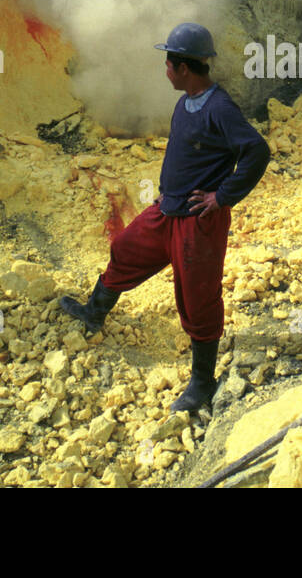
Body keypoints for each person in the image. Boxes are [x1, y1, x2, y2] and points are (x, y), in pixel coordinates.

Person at [60, 22, 271, 413]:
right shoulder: (186, 101)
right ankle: (94, 311)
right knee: (125, 248)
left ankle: (202, 383)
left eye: (168, 64)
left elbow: (257, 152)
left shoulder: (219, 107)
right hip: (168, 208)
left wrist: (221, 196)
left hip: (197, 221)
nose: (166, 71)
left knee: (197, 296)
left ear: (184, 68)